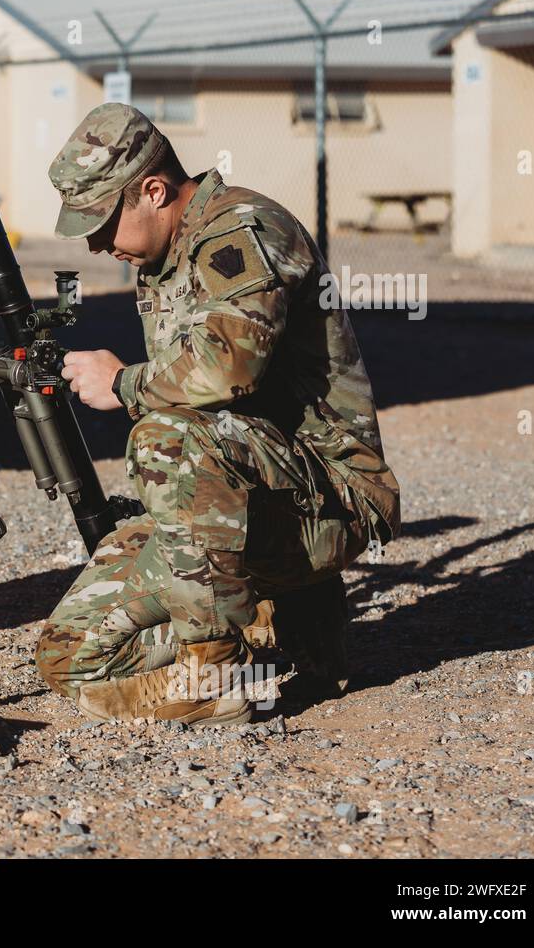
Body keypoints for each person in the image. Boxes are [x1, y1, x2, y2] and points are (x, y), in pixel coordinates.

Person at [36, 103, 400, 726]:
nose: (96, 243)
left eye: (101, 222)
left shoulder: (242, 230)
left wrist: (123, 382)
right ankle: (274, 629)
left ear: (153, 190)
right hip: (247, 500)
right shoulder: (165, 255)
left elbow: (230, 368)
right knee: (68, 658)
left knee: (167, 438)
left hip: (331, 497)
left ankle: (217, 675)